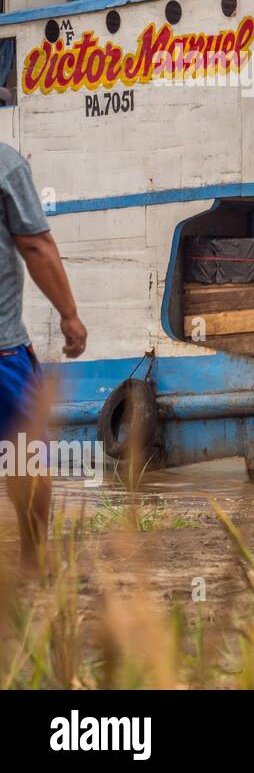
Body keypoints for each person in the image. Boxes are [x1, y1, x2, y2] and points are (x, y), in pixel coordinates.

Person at [0, 144, 87, 572]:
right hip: (2, 350)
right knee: (25, 454)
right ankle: (33, 560)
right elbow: (35, 246)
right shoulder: (5, 163)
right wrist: (69, 314)